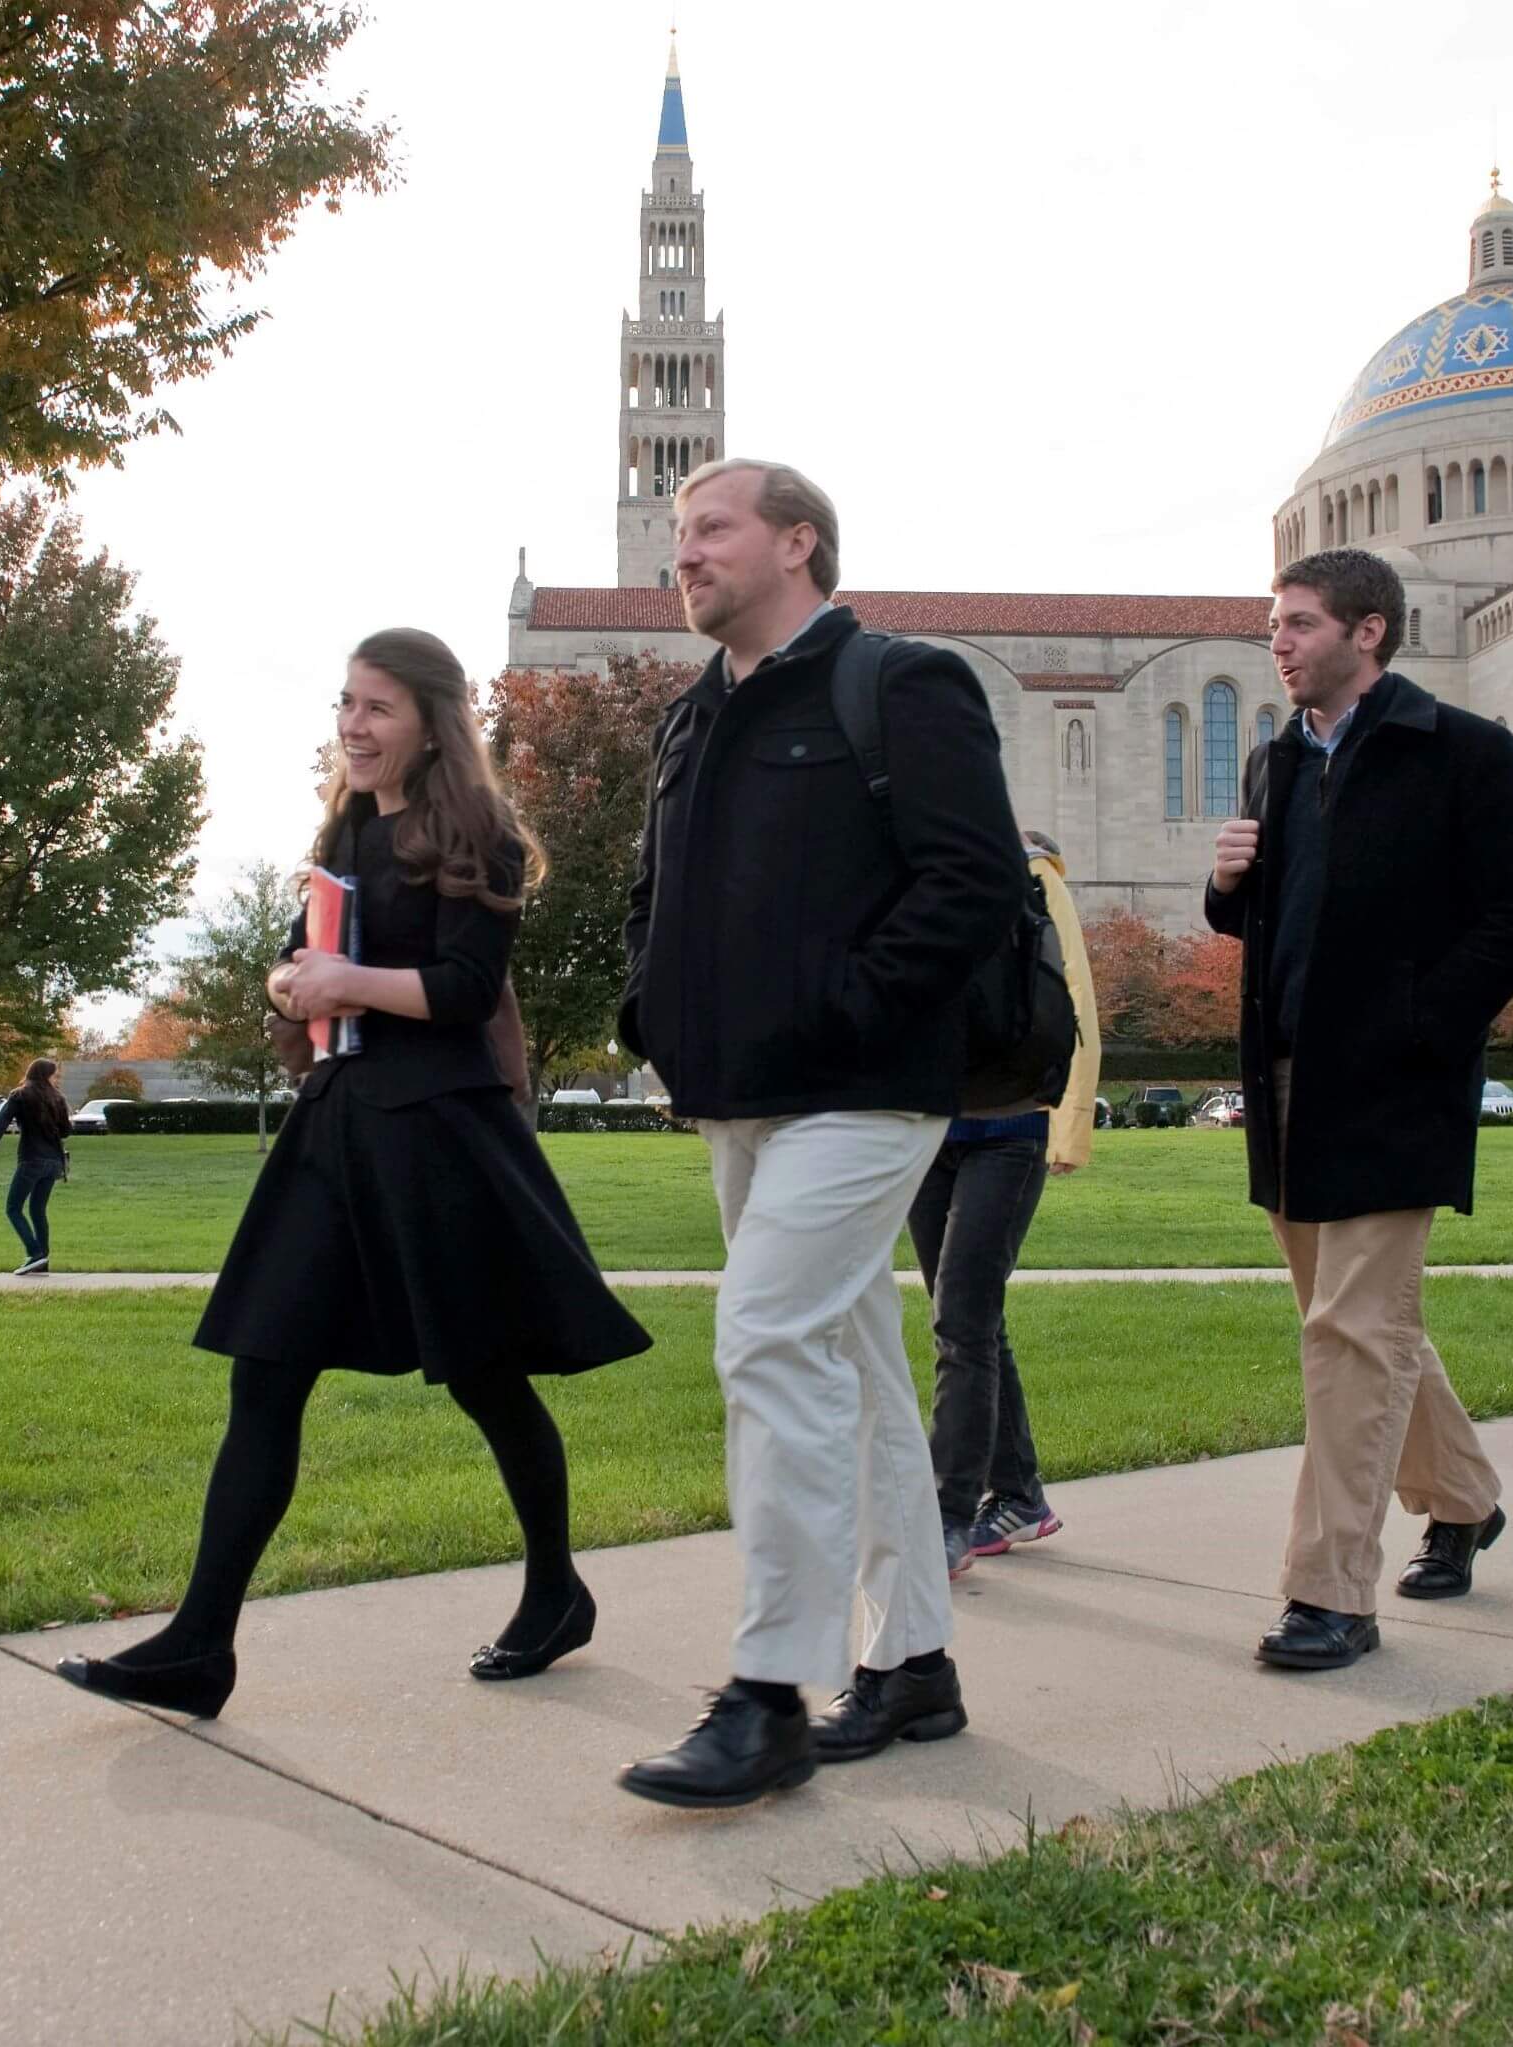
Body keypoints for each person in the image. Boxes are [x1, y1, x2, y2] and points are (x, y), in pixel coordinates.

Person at [57, 628, 652, 1721]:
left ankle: (555, 1589)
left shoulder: (478, 835)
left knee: (485, 1374)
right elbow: (296, 964)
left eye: (376, 706)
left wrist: (346, 979)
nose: (353, 725)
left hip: (440, 1137)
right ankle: (199, 1643)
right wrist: (295, 986)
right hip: (336, 1129)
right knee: (265, 1370)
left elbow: (467, 990)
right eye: (345, 703)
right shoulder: (341, 828)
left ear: (430, 718)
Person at [615, 459, 1024, 1809]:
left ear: (799, 541)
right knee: (858, 1371)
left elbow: (970, 880)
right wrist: (652, 1010)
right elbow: (654, 894)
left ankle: (769, 1690)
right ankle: (913, 1659)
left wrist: (852, 1007)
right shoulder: (693, 717)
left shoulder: (900, 683)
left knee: (768, 1335)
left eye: (711, 528)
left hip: (865, 1088)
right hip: (736, 1093)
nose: (687, 554)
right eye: (678, 536)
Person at [1204, 548, 1513, 1672]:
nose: (1279, 642)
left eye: (1299, 624)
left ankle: (1328, 1592)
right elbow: (1268, 926)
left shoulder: (1462, 752)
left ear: (1369, 633)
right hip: (1289, 1085)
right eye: (1274, 625)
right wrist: (1224, 888)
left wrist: (1418, 1026)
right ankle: (1460, 1498)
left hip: (1394, 1089)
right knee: (1357, 1322)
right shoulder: (1273, 766)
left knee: (1350, 1332)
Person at [911, 828, 1101, 1577]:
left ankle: (948, 1513)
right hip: (927, 1129)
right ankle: (1019, 1493)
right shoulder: (908, 863)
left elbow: (1075, 991)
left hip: (1010, 1127)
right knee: (968, 1316)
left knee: (962, 1316)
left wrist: (1072, 1124)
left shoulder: (1026, 871)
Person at [0, 1059, 72, 1275]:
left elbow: (1, 1122)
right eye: (54, 1075)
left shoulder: (20, 1095)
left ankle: (35, 1253)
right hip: (54, 1162)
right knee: (38, 1209)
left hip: (31, 1159)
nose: (55, 1079)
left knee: (13, 1208)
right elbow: (66, 1131)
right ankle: (43, 1260)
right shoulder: (58, 1098)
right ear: (47, 1075)